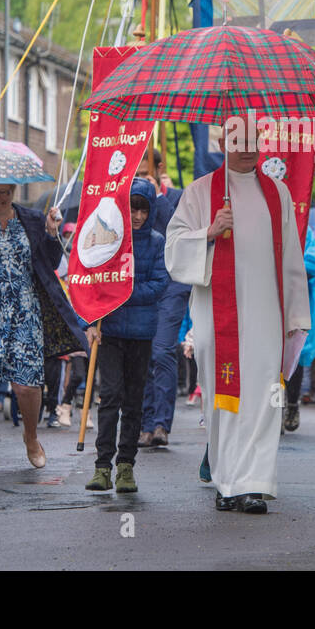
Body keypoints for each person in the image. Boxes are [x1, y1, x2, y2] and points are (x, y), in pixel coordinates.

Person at [165, 140, 309, 513]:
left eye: (252, 142)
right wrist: (209, 232)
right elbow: (174, 248)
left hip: (267, 313)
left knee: (264, 396)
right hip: (217, 312)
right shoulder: (199, 192)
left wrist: (295, 314)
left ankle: (255, 483)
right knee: (223, 395)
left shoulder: (277, 194)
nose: (247, 150)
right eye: (238, 142)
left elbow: (292, 255)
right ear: (222, 143)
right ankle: (227, 480)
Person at [0, 184, 86, 471]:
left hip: (25, 312)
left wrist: (51, 233)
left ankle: (31, 438)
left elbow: (52, 261)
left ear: (12, 191)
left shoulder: (32, 219)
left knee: (25, 385)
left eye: (3, 193)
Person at [84, 178, 169, 493]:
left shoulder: (157, 242)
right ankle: (102, 465)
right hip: (111, 332)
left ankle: (126, 466)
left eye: (143, 210)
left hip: (142, 333)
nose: (137, 216)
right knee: (110, 397)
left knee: (133, 400)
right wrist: (91, 320)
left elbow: (160, 283)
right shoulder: (108, 239)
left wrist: (124, 291)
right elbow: (92, 280)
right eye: (132, 208)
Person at [139, 147, 189, 448]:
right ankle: (144, 424)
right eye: (137, 175)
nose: (141, 181)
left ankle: (161, 424)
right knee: (142, 354)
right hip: (142, 286)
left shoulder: (178, 198)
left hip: (172, 284)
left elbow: (178, 235)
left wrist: (156, 198)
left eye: (145, 175)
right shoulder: (129, 199)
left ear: (159, 169)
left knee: (161, 351)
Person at [283, 229, 315, 432]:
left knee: (294, 356)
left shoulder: (303, 227)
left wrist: (288, 264)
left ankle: (292, 404)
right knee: (272, 360)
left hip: (298, 301)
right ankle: (275, 409)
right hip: (268, 299)